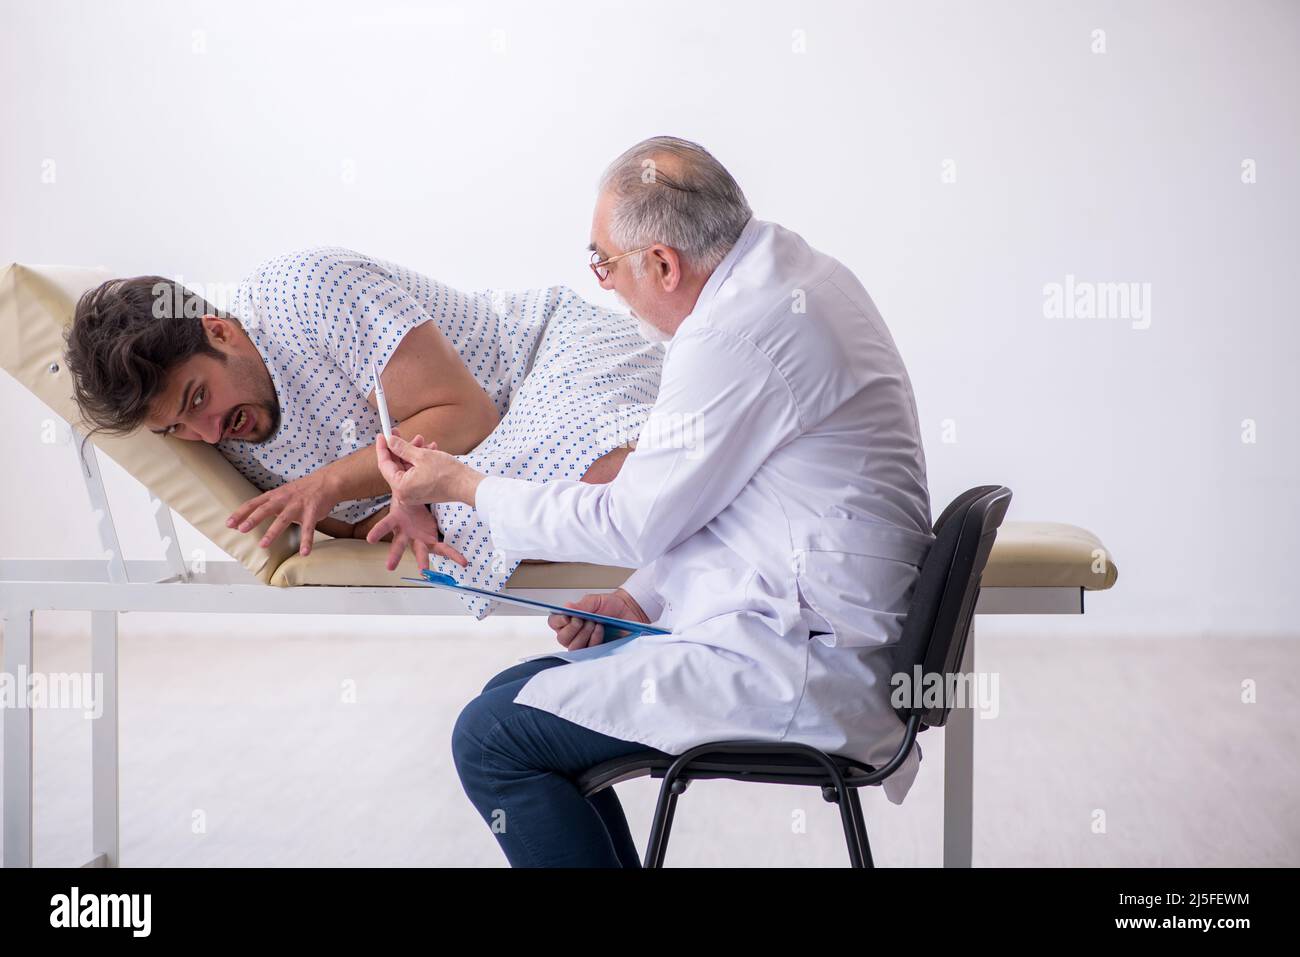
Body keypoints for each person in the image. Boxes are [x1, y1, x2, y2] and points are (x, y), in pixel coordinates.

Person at [374, 136, 935, 867]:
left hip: (804, 662)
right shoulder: (791, 274)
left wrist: (463, 484)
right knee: (514, 693)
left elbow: (629, 519)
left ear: (664, 263)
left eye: (603, 262)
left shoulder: (733, 335)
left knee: (492, 738)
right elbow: (721, 503)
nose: (602, 282)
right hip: (815, 628)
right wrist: (640, 601)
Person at [63, 249, 664, 610]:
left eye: (198, 398)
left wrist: (327, 484)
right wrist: (393, 500)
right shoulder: (221, 432)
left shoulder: (310, 289)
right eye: (177, 428)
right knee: (467, 526)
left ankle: (736, 588)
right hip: (475, 458)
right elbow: (358, 525)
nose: (209, 432)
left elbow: (467, 415)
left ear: (218, 331)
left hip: (543, 356)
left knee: (593, 484)